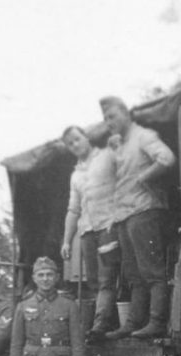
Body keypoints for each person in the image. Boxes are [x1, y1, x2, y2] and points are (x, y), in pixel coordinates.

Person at [99, 96, 176, 339]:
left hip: (144, 211)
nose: (108, 122)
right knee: (133, 275)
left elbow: (166, 159)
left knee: (152, 271)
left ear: (126, 113)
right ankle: (132, 324)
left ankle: (156, 322)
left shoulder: (144, 136)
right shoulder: (120, 144)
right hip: (125, 215)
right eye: (105, 118)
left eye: (112, 116)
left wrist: (144, 177)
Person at [60, 125, 119, 340]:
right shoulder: (75, 175)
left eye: (77, 139)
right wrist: (67, 241)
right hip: (87, 230)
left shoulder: (106, 156)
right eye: (70, 143)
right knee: (93, 280)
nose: (75, 145)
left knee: (107, 279)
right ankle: (105, 322)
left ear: (86, 137)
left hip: (108, 225)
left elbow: (126, 180)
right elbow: (73, 209)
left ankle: (99, 326)